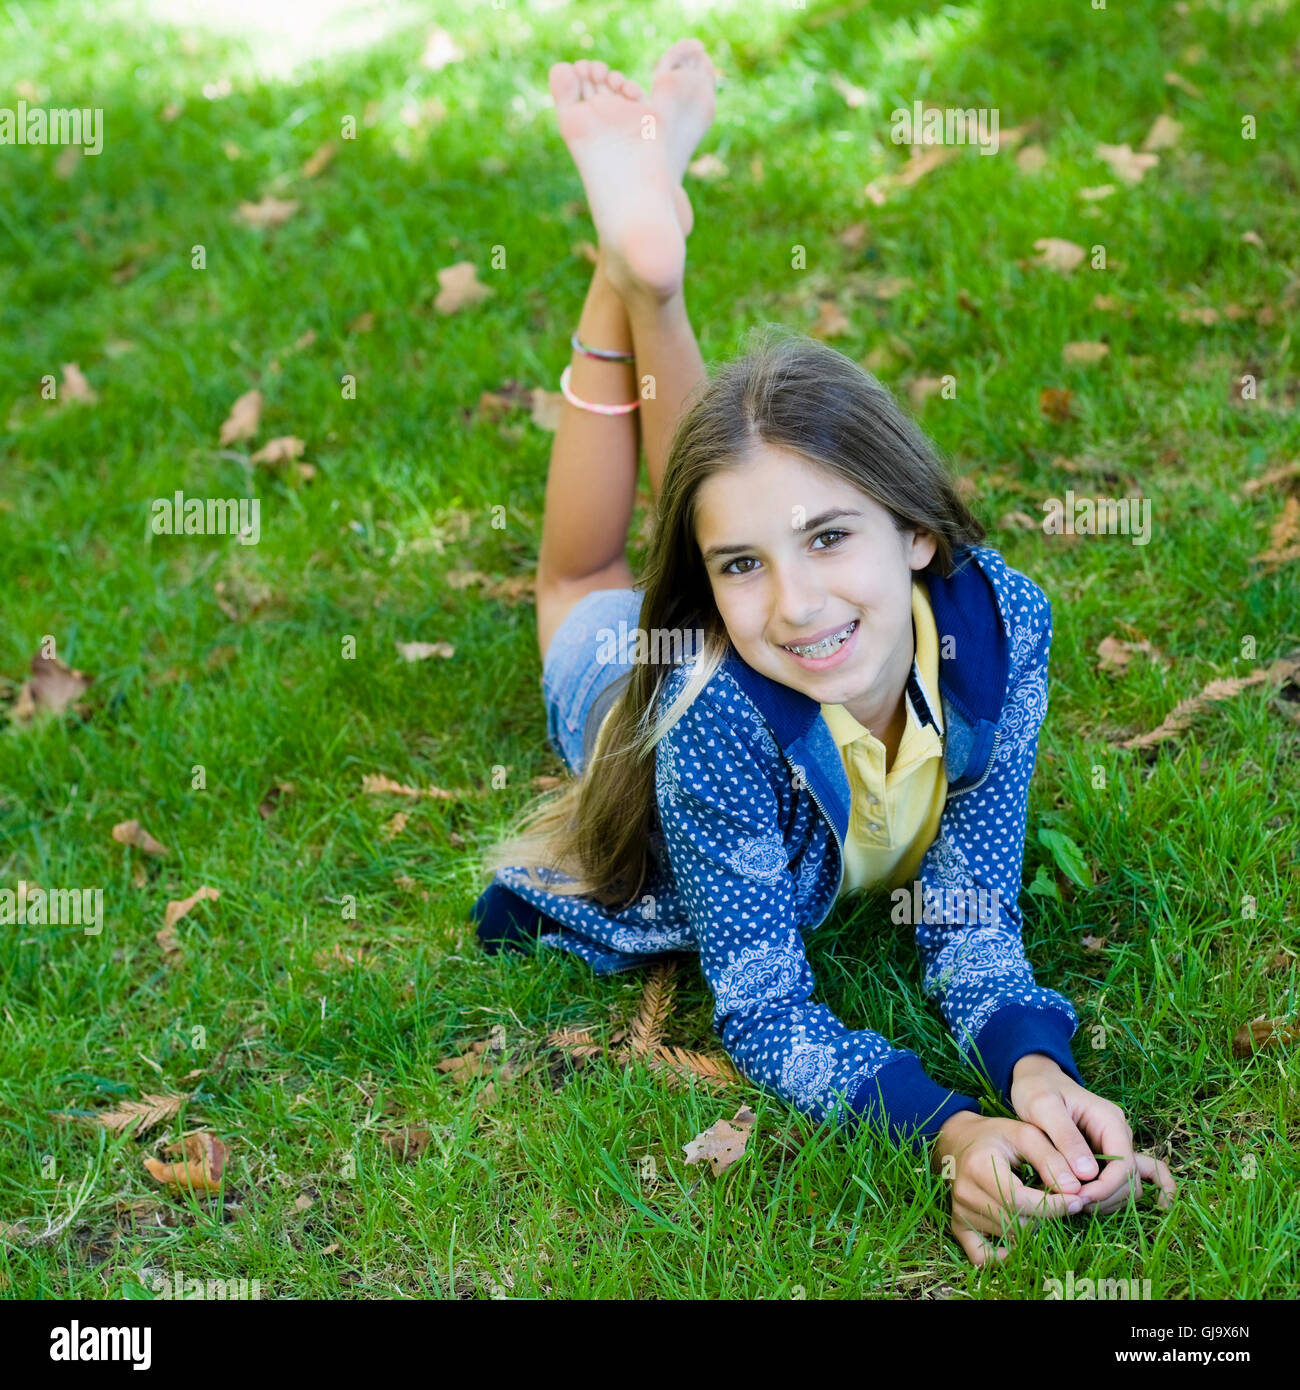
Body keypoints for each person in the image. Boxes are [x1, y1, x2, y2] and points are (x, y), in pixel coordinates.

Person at [469, 42, 1175, 1267]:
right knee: (579, 585)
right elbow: (762, 1005)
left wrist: (1034, 1066)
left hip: (747, 634)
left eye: (832, 537)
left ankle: (646, 257)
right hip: (630, 687)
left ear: (918, 533)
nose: (795, 606)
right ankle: (630, 270)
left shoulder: (999, 630)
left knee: (732, 484)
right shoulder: (705, 724)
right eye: (738, 566)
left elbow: (967, 909)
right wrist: (947, 1129)